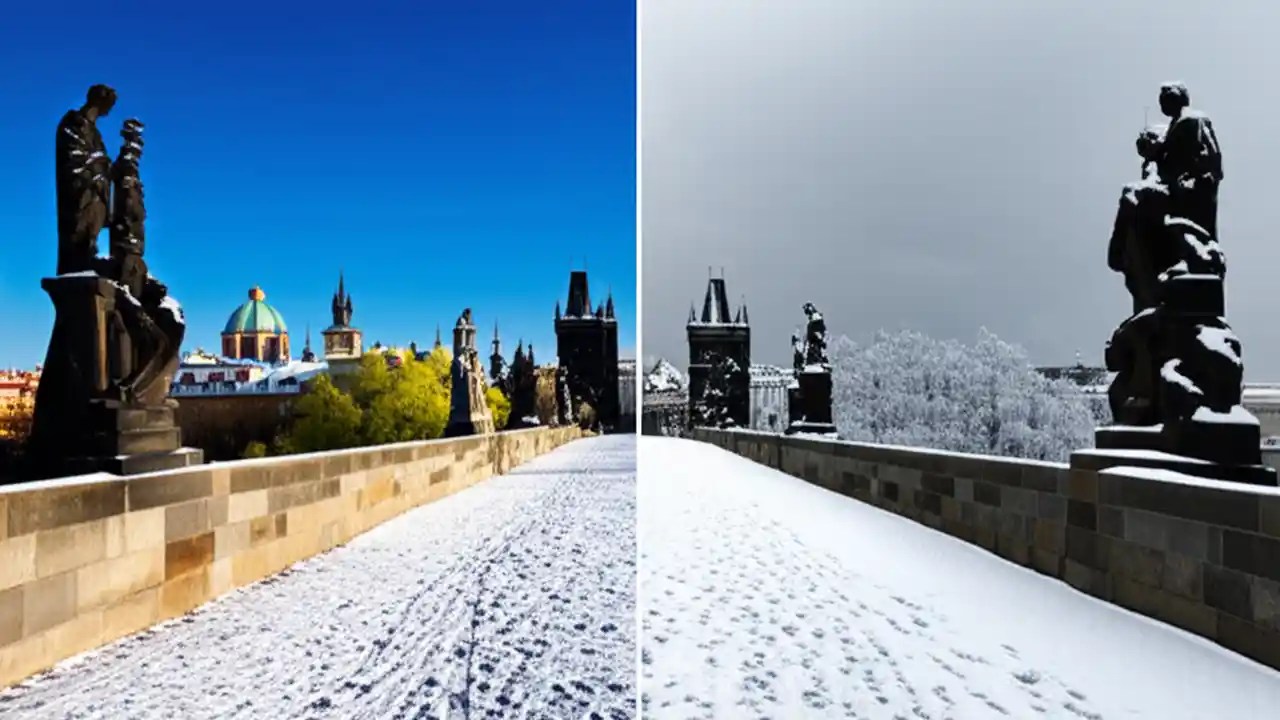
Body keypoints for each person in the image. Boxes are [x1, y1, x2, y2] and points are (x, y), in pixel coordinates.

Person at [55, 84, 116, 275]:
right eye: (108, 105)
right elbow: (73, 160)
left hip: (96, 193)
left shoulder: (95, 133)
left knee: (90, 238)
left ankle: (86, 262)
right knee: (77, 238)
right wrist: (96, 170)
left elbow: (100, 162)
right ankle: (76, 268)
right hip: (81, 193)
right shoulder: (74, 122)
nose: (108, 111)